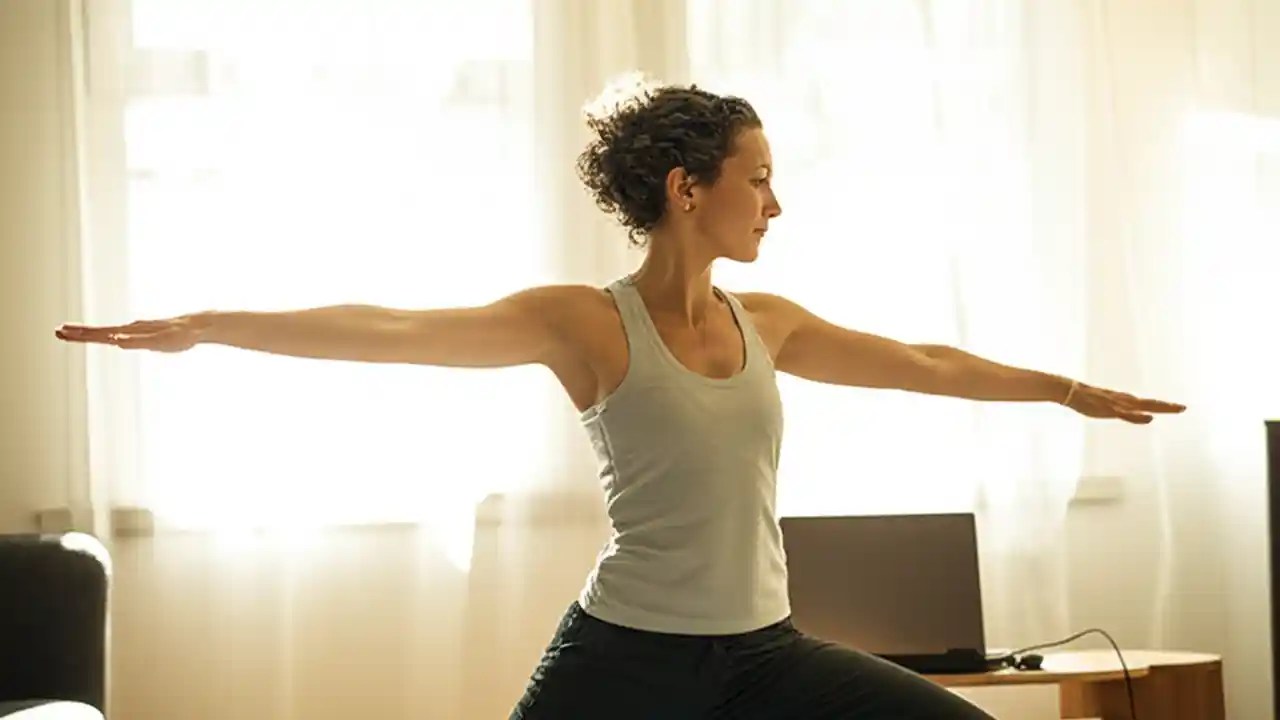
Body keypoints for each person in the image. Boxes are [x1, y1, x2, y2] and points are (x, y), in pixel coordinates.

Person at [56, 78, 1185, 719]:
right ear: (685, 189)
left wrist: (1067, 391)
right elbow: (391, 330)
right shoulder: (584, 324)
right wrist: (209, 327)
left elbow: (925, 363)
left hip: (765, 657)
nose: (774, 205)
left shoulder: (769, 324)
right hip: (624, 660)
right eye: (757, 179)